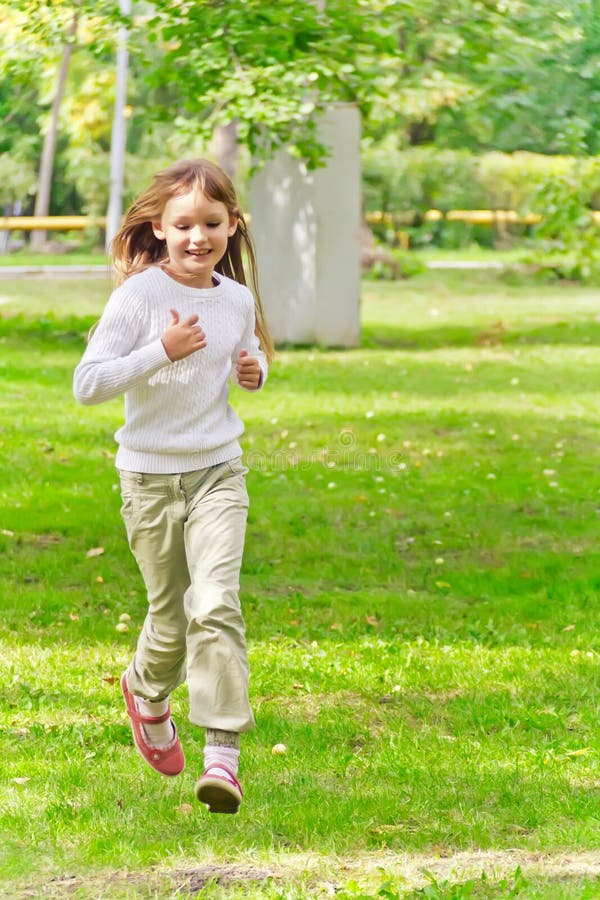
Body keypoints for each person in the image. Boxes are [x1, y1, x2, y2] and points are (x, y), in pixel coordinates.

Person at [73, 158, 274, 815]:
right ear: (158, 228)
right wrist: (161, 349)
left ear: (231, 225)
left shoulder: (236, 299)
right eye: (183, 224)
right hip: (150, 479)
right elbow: (88, 384)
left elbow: (249, 349)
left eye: (211, 224)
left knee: (214, 602)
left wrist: (255, 370)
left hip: (219, 469)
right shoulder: (139, 299)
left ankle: (223, 754)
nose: (198, 237)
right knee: (169, 614)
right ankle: (147, 693)